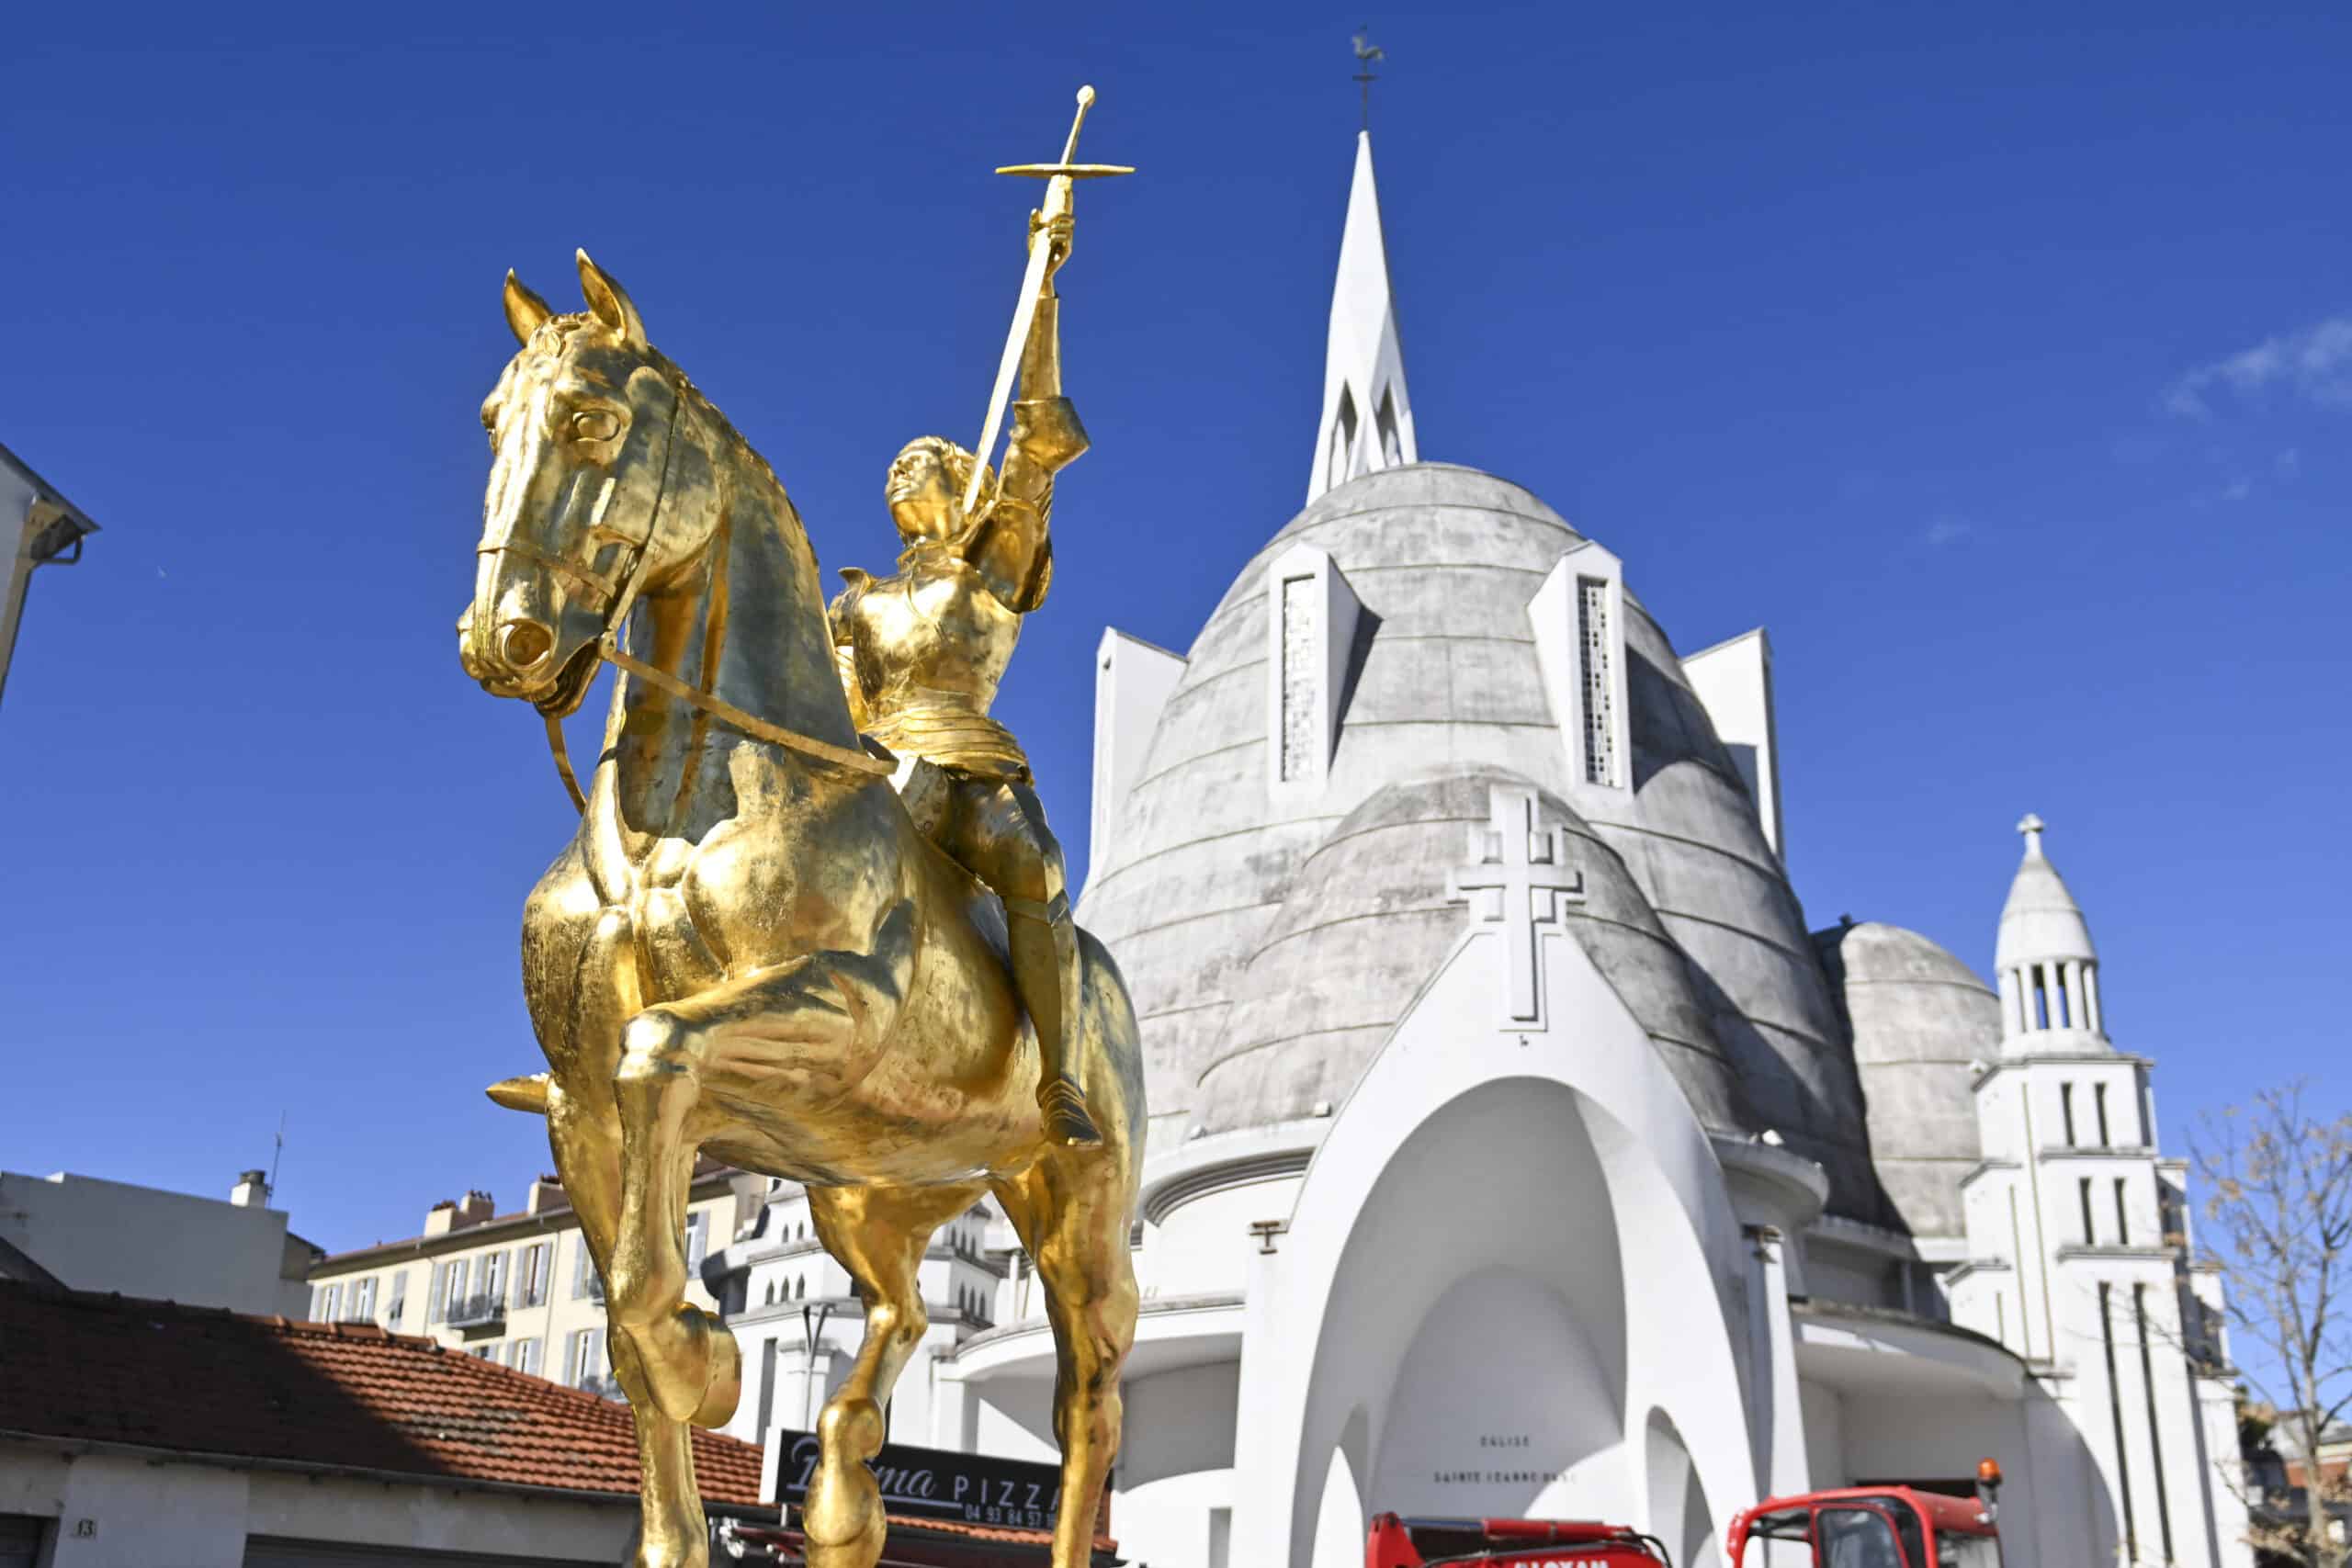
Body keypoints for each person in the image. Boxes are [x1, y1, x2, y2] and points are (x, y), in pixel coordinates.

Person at [828, 209, 1100, 1148]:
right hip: (878, 764)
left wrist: (1044, 288)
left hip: (968, 765)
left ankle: (1061, 1075)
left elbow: (1034, 440)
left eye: (934, 460)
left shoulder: (991, 568)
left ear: (966, 491)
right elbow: (831, 698)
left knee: (1035, 867)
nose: (910, 462)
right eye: (900, 462)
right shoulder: (856, 602)